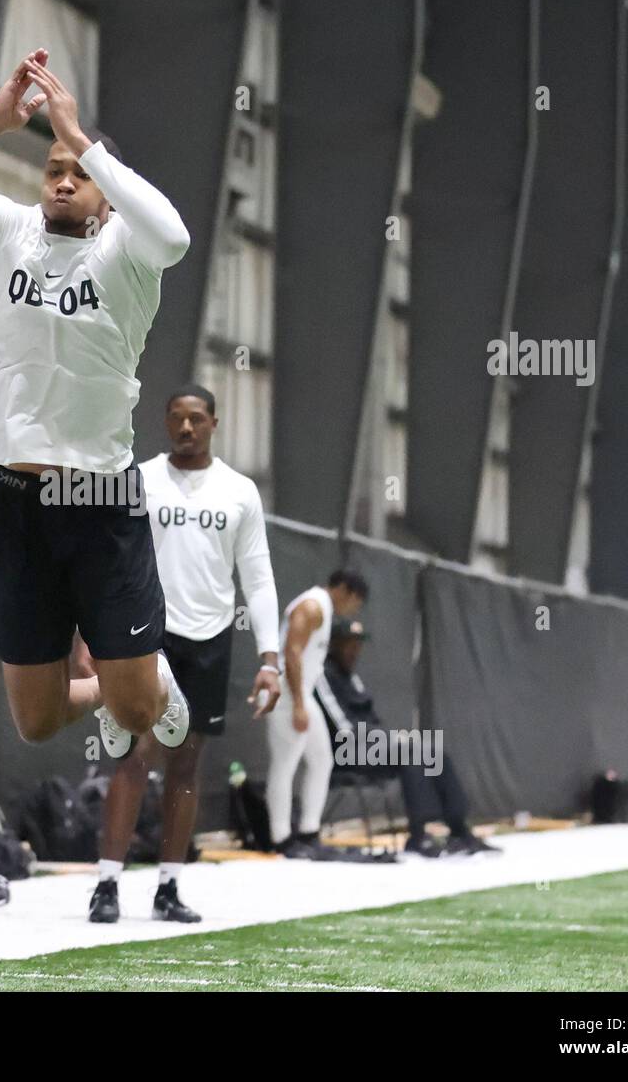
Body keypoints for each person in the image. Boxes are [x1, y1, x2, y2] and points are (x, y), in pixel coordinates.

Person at [0, 48, 193, 765]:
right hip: (18, 499)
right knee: (38, 720)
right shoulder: (1, 229)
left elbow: (174, 235)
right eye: (54, 167)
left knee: (143, 710)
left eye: (79, 172)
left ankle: (143, 684)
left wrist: (84, 141)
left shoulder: (129, 254)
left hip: (102, 495)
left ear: (107, 194)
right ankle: (107, 688)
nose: (64, 180)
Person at [87, 385, 281, 924]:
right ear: (166, 422)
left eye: (197, 418)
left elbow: (258, 577)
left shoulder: (240, 492)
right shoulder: (142, 479)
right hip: (146, 634)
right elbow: (104, 561)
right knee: (132, 754)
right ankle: (106, 885)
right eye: (177, 418)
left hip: (211, 638)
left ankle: (168, 887)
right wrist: (88, 638)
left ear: (215, 423)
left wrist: (271, 659)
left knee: (188, 761)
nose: (187, 428)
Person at [313, 618, 498, 857]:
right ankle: (418, 837)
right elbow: (343, 729)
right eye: (349, 644)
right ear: (335, 645)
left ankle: (459, 830)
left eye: (357, 644)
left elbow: (373, 722)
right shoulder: (322, 675)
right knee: (409, 753)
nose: (354, 650)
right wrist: (388, 741)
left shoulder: (353, 679)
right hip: (345, 753)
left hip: (371, 747)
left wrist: (388, 739)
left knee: (434, 751)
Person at [265, 569, 369, 858]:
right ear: (346, 591)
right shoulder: (312, 606)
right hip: (287, 694)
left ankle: (309, 831)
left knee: (322, 760)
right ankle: (281, 837)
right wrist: (299, 703)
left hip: (301, 693)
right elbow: (292, 653)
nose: (352, 611)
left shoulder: (321, 608)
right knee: (285, 765)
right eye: (355, 603)